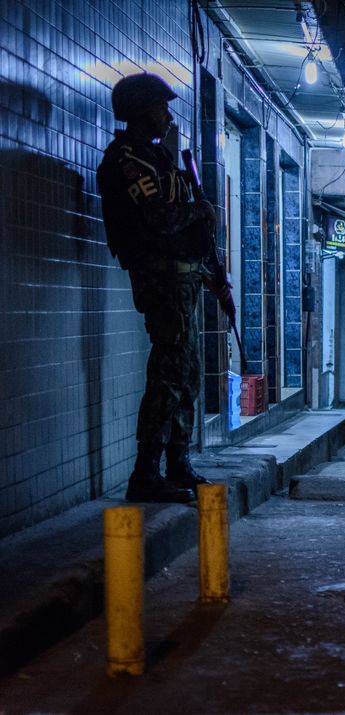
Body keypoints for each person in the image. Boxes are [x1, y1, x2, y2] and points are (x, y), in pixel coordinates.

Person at [98, 73, 235, 503]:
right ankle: (146, 472)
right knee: (168, 373)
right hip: (160, 278)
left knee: (187, 373)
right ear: (142, 110)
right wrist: (199, 210)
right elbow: (160, 219)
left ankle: (177, 463)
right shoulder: (129, 159)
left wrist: (214, 277)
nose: (167, 115)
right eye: (161, 107)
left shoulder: (158, 158)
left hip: (183, 277)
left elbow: (183, 227)